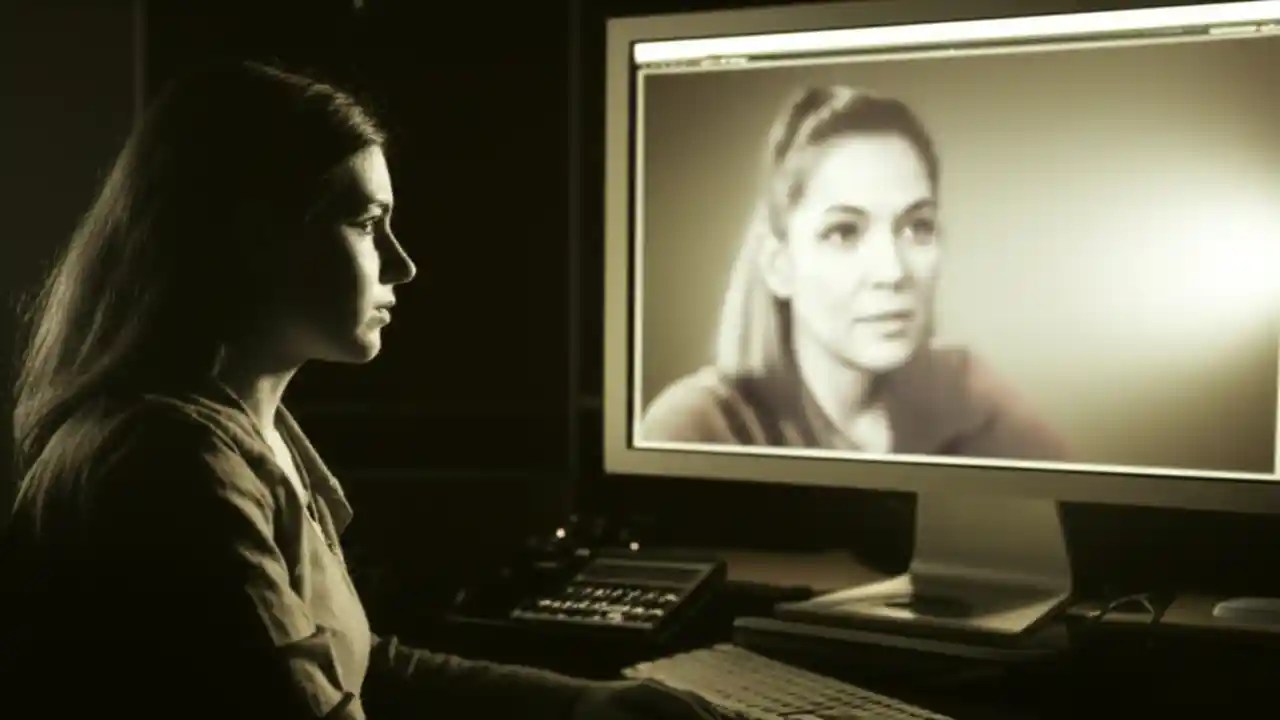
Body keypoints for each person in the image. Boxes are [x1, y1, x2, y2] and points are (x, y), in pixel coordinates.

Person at [0, 61, 722, 720]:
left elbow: (361, 667)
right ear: (255, 235)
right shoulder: (174, 467)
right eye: (368, 223)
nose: (402, 265)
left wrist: (588, 706)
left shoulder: (248, 434)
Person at [640, 85, 1067, 461]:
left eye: (918, 227)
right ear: (780, 266)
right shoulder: (696, 427)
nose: (892, 271)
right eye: (844, 232)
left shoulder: (966, 391)